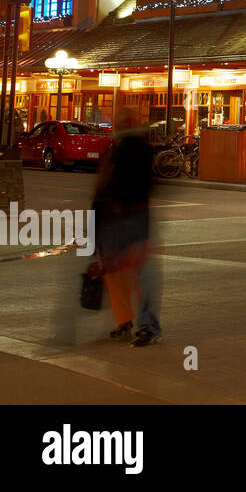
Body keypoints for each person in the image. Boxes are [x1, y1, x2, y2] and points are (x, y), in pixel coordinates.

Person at [92, 107, 161, 347]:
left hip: (126, 216)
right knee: (122, 273)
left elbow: (102, 187)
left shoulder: (122, 151)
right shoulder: (137, 150)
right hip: (129, 216)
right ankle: (133, 322)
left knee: (131, 273)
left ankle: (142, 324)